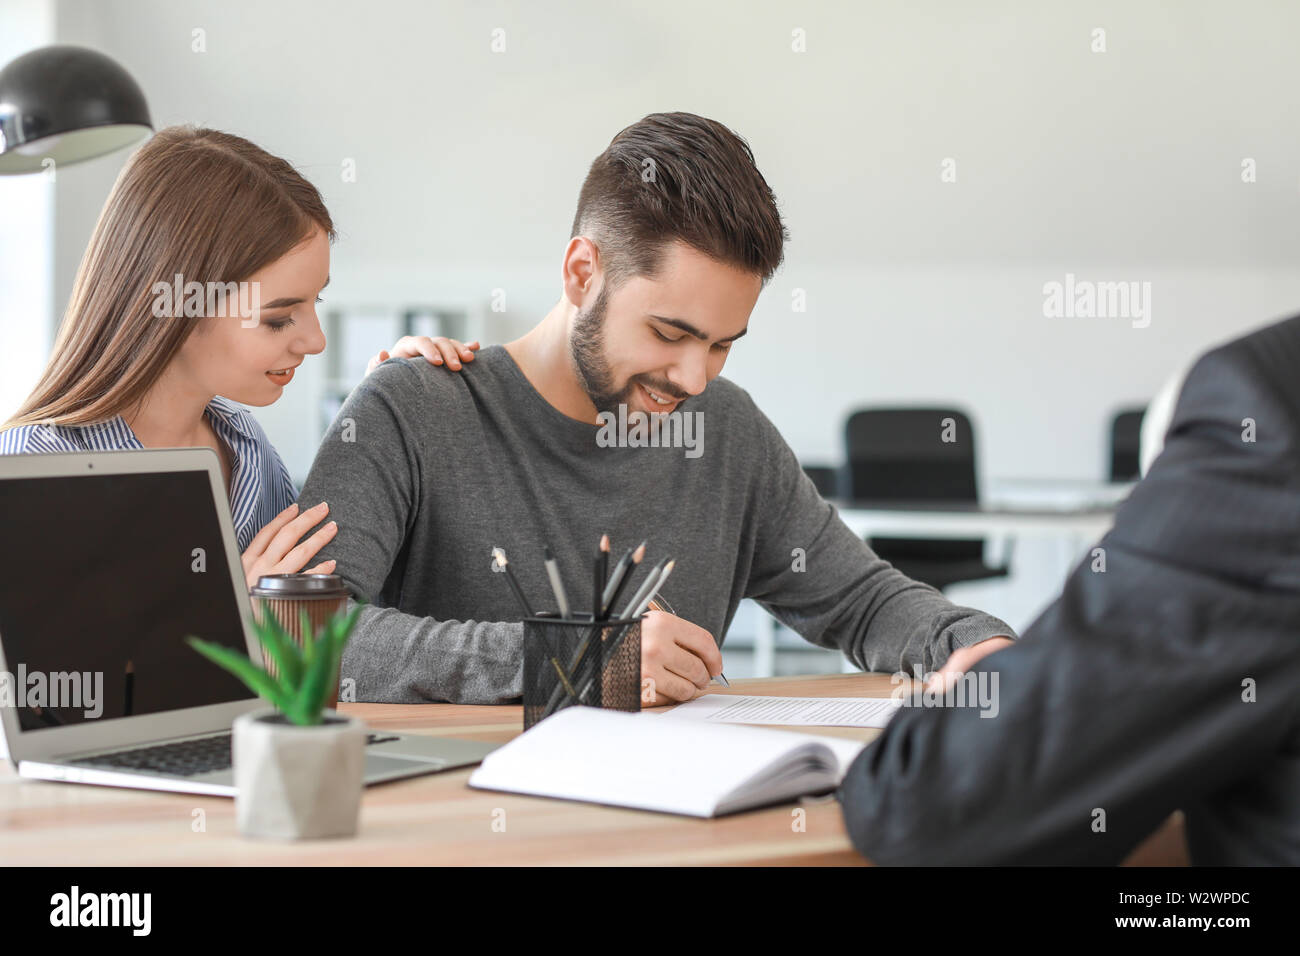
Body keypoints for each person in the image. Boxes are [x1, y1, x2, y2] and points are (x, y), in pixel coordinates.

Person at [298, 111, 1016, 706]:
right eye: (670, 333)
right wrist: (577, 659)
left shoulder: (726, 433)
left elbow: (864, 601)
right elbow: (303, 638)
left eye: (723, 345)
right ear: (583, 273)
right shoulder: (411, 407)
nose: (695, 378)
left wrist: (982, 647)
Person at [838, 314, 1300, 865]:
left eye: (724, 344)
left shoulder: (1266, 405)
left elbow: (920, 809)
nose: (702, 375)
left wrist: (968, 651)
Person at [0, 126, 477, 588]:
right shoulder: (35, 471)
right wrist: (228, 622)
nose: (315, 342)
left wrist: (390, 407)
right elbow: (48, 668)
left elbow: (330, 604)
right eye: (278, 317)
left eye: (316, 303)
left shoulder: (246, 449)